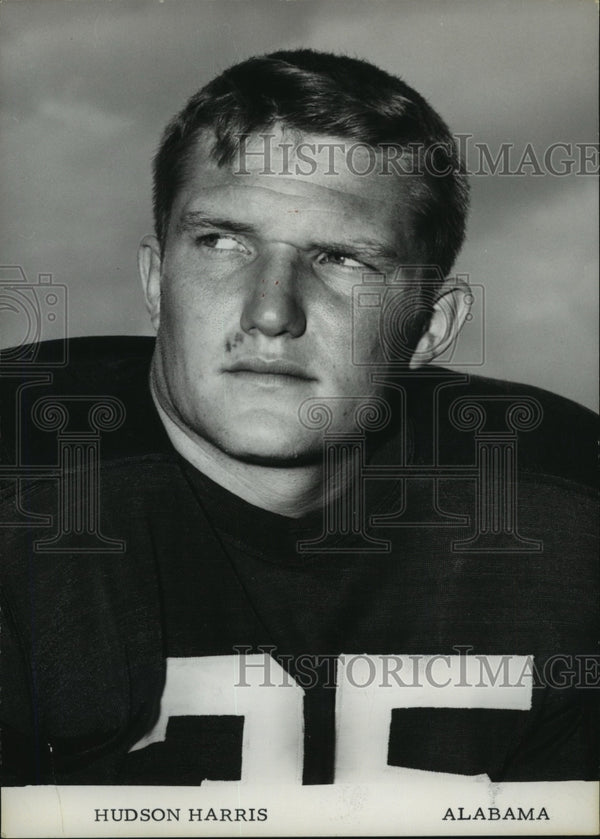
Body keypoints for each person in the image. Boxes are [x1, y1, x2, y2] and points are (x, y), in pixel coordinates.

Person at [0, 49, 597, 787]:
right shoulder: (22, 490)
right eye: (222, 243)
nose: (271, 312)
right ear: (157, 282)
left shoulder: (568, 517)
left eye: (343, 259)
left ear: (434, 325)